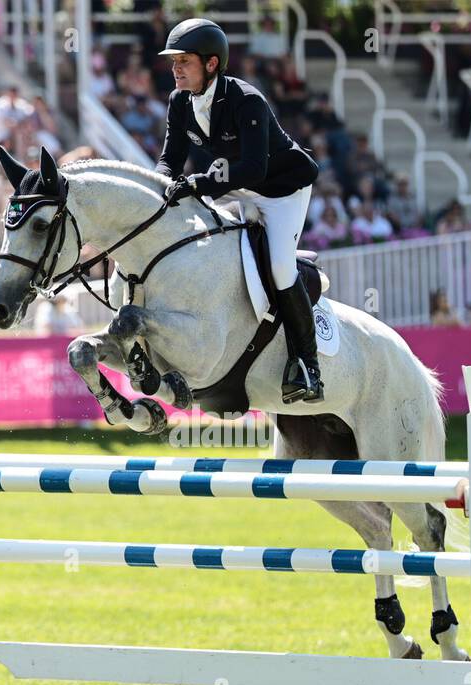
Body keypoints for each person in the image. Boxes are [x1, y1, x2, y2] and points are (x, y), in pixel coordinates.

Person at [154, 18, 323, 403]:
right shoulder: (179, 101)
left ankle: (308, 367)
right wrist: (159, 188)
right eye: (173, 62)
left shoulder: (247, 101)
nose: (175, 69)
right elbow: (170, 159)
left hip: (281, 190)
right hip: (235, 187)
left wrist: (198, 184)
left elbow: (253, 169)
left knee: (280, 267)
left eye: (184, 61)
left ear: (211, 64)